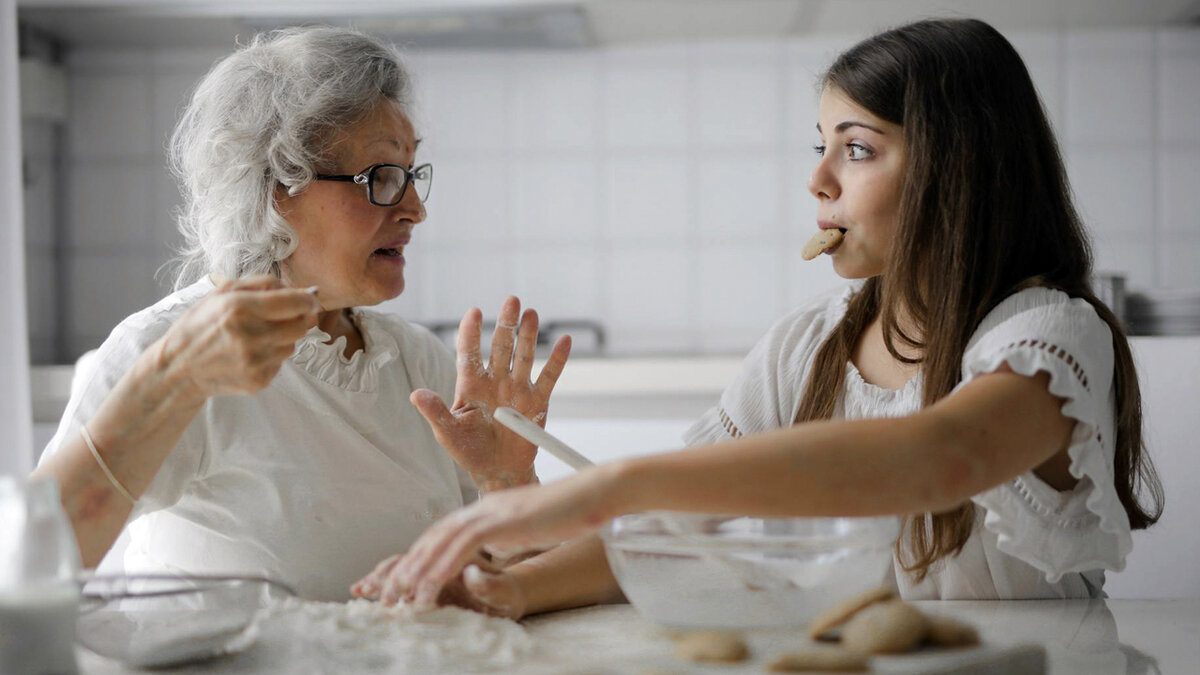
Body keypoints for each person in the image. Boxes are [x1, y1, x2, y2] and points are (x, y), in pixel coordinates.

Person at [354, 18, 1164, 613]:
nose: (817, 179)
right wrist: (514, 585)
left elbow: (943, 456)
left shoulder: (1049, 336)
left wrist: (616, 481)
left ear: (958, 171)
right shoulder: (806, 347)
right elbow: (675, 529)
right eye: (819, 145)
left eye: (856, 147)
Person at [31, 26, 570, 601]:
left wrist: (507, 484)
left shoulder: (416, 362)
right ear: (272, 189)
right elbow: (31, 561)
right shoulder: (166, 347)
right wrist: (170, 380)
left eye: (412, 175)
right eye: (381, 178)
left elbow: (501, 587)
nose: (414, 209)